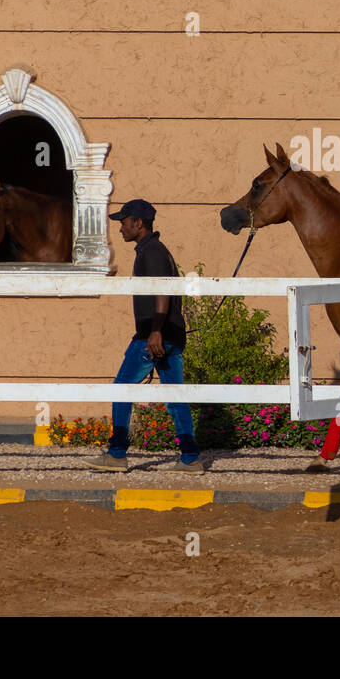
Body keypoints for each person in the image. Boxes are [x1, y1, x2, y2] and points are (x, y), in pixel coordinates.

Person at [85, 199, 203, 474]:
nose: (121, 227)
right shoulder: (154, 250)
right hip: (166, 335)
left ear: (139, 223)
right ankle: (190, 458)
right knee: (176, 397)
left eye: (124, 222)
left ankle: (116, 454)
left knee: (121, 388)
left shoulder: (152, 252)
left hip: (153, 336)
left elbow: (163, 291)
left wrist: (155, 332)